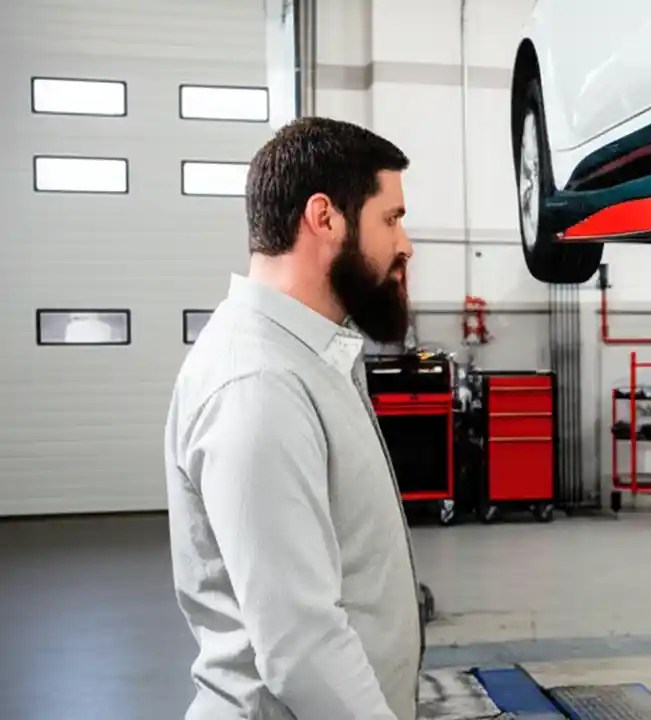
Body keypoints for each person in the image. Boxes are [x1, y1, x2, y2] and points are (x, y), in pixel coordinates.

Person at [163, 117, 422, 720]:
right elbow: (302, 647)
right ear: (325, 217)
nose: (405, 243)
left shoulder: (306, 357)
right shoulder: (258, 384)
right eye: (391, 218)